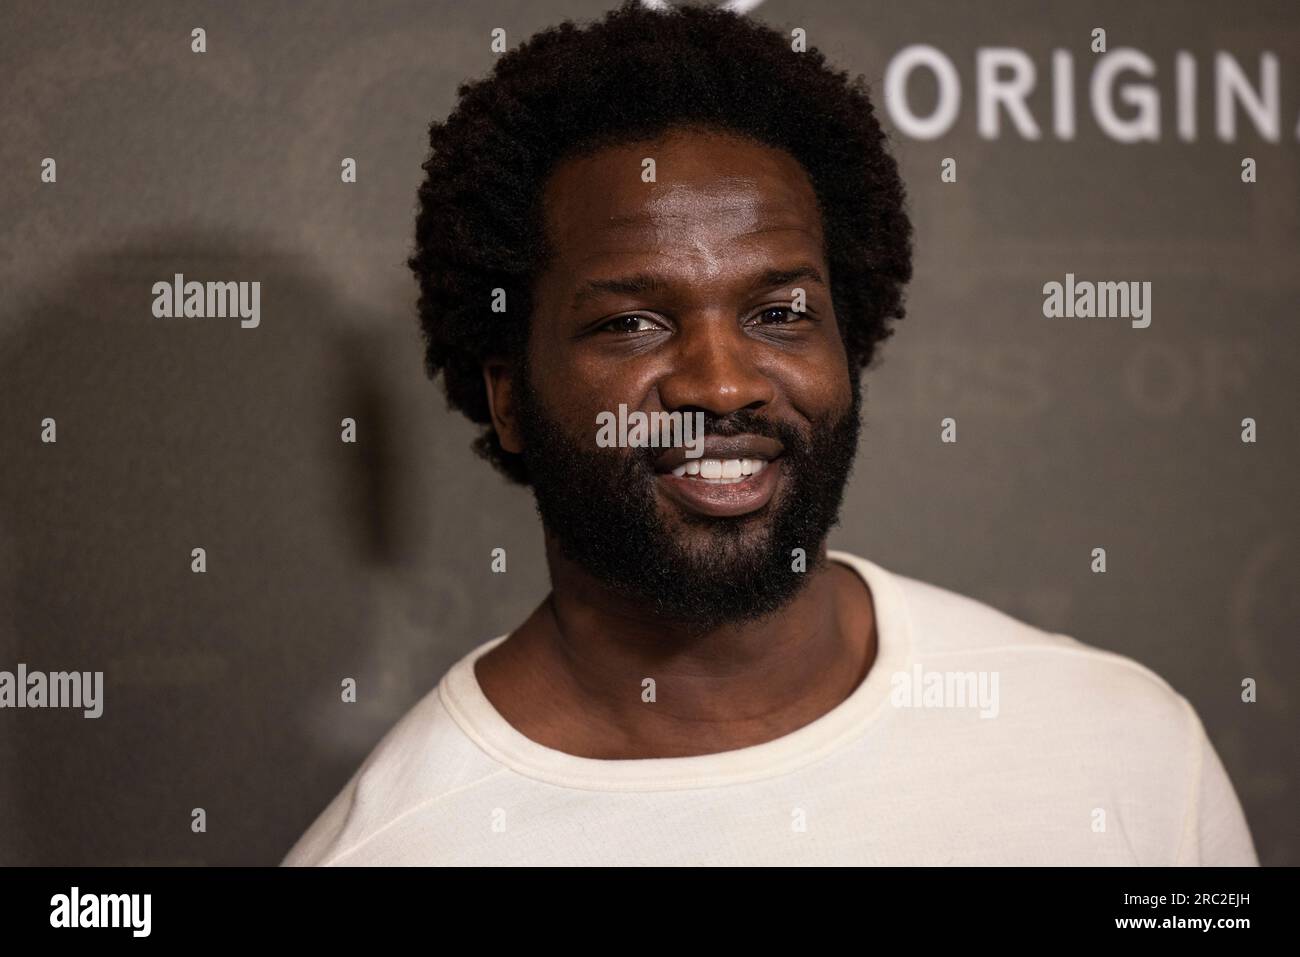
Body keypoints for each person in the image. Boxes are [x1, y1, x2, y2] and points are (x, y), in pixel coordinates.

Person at [282, 0, 1256, 866]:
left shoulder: (1120, 746)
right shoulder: (402, 846)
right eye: (630, 323)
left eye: (779, 313)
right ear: (508, 398)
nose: (722, 382)